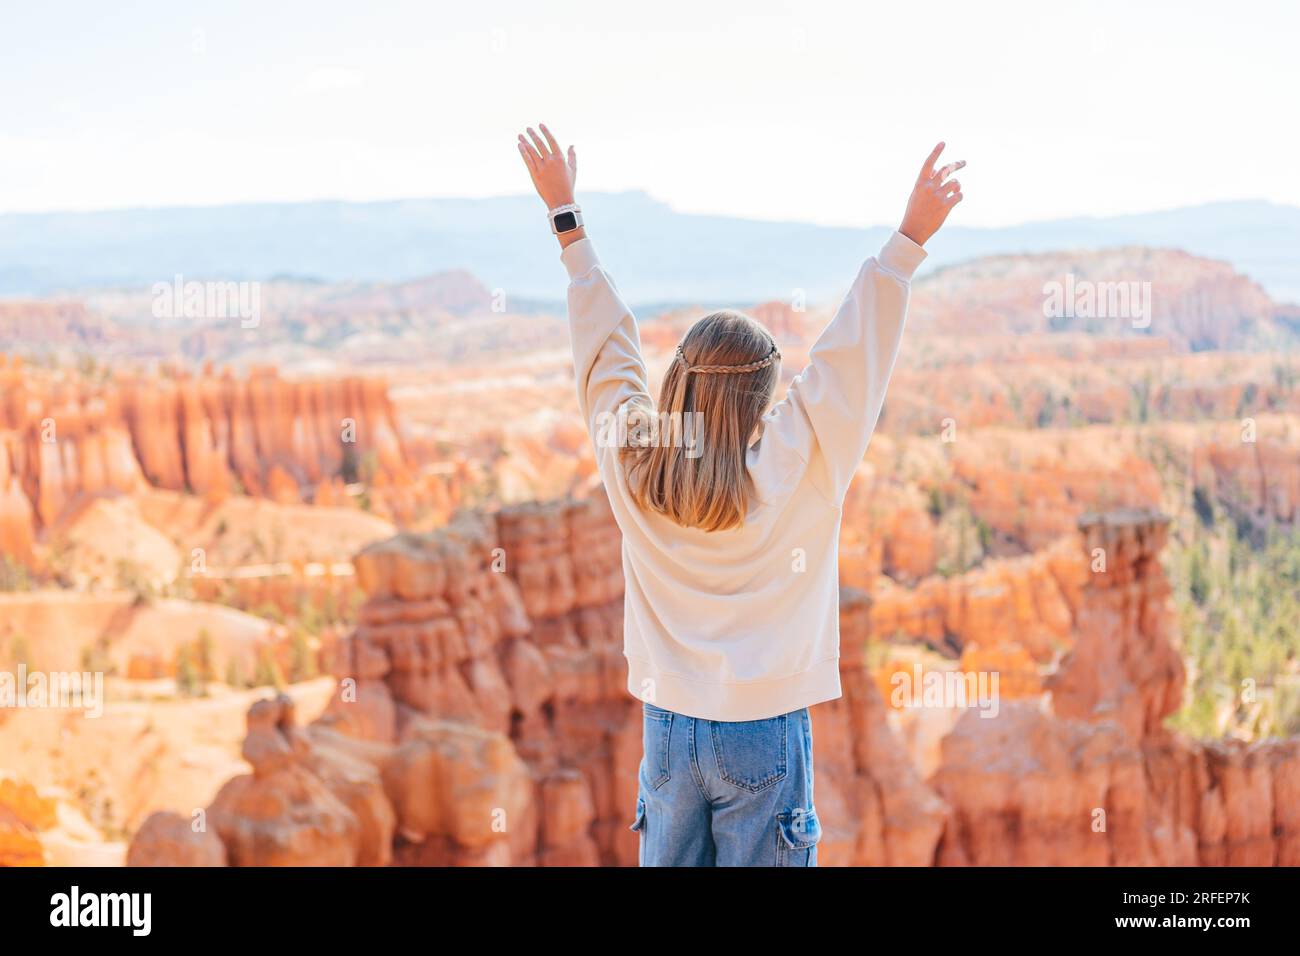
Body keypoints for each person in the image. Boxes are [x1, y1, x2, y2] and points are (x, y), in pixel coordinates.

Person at [518, 124, 964, 866]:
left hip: (668, 731)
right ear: (764, 401)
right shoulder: (795, 464)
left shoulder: (636, 462)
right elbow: (850, 361)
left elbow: (606, 352)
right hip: (761, 731)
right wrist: (909, 239)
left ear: (678, 383)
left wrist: (568, 220)